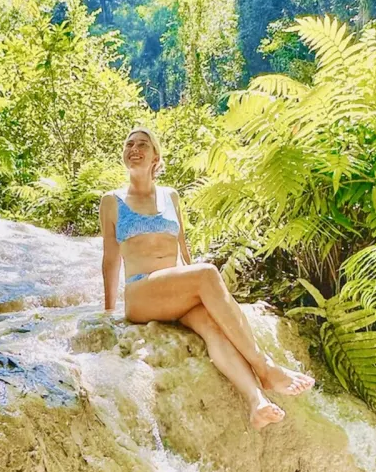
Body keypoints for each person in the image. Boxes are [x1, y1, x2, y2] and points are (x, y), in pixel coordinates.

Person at [98, 127, 314, 428]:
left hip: (175, 292)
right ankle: (264, 367)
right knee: (206, 273)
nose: (134, 148)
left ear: (155, 157)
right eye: (129, 143)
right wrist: (109, 313)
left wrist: (206, 292)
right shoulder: (112, 201)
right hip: (141, 294)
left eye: (142, 144)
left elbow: (183, 250)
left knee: (212, 326)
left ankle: (256, 402)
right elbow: (110, 260)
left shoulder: (170, 196)